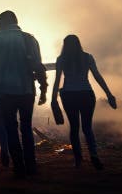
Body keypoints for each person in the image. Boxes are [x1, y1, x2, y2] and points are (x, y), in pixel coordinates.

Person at [0, 11, 48, 177]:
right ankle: (31, 166)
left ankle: (18, 166)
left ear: (4, 22)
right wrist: (43, 88)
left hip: (5, 92)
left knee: (10, 128)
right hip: (26, 90)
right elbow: (38, 65)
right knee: (26, 127)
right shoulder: (29, 38)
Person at [50, 35, 117, 170]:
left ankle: (78, 159)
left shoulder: (61, 59)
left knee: (74, 128)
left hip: (69, 95)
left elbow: (57, 80)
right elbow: (97, 76)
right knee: (87, 127)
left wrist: (53, 99)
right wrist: (109, 94)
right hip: (86, 94)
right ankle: (94, 155)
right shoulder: (87, 57)